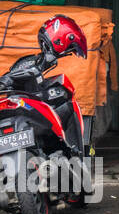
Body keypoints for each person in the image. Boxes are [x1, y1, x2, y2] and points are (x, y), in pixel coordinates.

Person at [0, 15, 89, 153]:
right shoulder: (34, 62)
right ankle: (74, 152)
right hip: (21, 109)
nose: (69, 52)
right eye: (70, 48)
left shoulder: (30, 62)